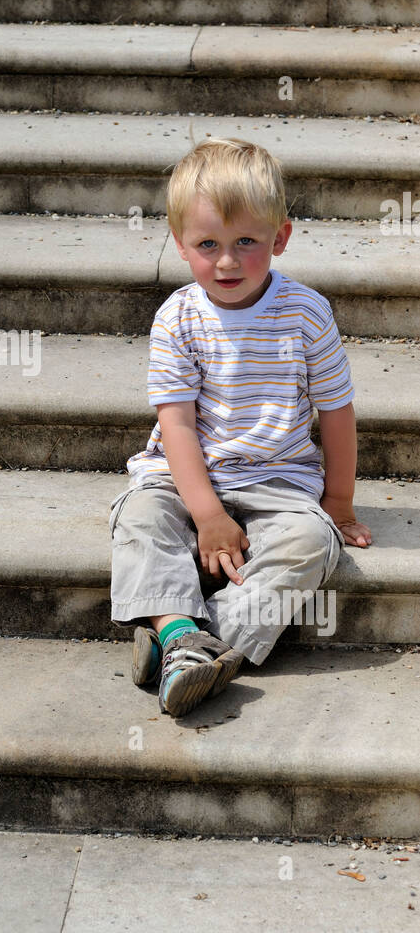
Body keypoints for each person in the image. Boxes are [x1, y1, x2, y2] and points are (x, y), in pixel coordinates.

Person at [109, 137, 373, 719]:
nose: (226, 261)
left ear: (280, 237)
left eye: (246, 242)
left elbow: (336, 410)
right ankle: (181, 630)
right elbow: (174, 424)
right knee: (141, 516)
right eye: (208, 245)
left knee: (311, 544)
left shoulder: (307, 313)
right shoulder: (178, 317)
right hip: (185, 477)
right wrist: (205, 514)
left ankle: (187, 641)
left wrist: (340, 500)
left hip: (278, 480)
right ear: (180, 244)